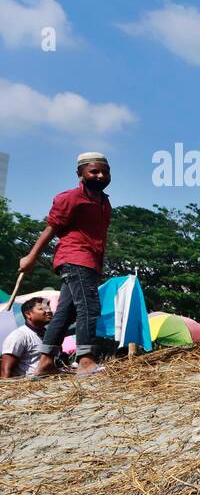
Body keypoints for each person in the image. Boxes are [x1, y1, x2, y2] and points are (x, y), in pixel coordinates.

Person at [20, 152, 113, 377]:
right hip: (75, 258)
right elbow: (51, 229)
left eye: (105, 171)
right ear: (80, 174)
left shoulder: (104, 202)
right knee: (89, 307)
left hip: (90, 260)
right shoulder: (70, 198)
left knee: (65, 313)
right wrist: (31, 256)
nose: (100, 175)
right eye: (94, 171)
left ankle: (45, 362)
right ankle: (86, 360)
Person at [2, 297, 53, 377]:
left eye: (49, 308)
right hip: (30, 386)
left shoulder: (49, 335)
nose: (49, 311)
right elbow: (5, 370)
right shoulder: (19, 335)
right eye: (42, 309)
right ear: (28, 314)